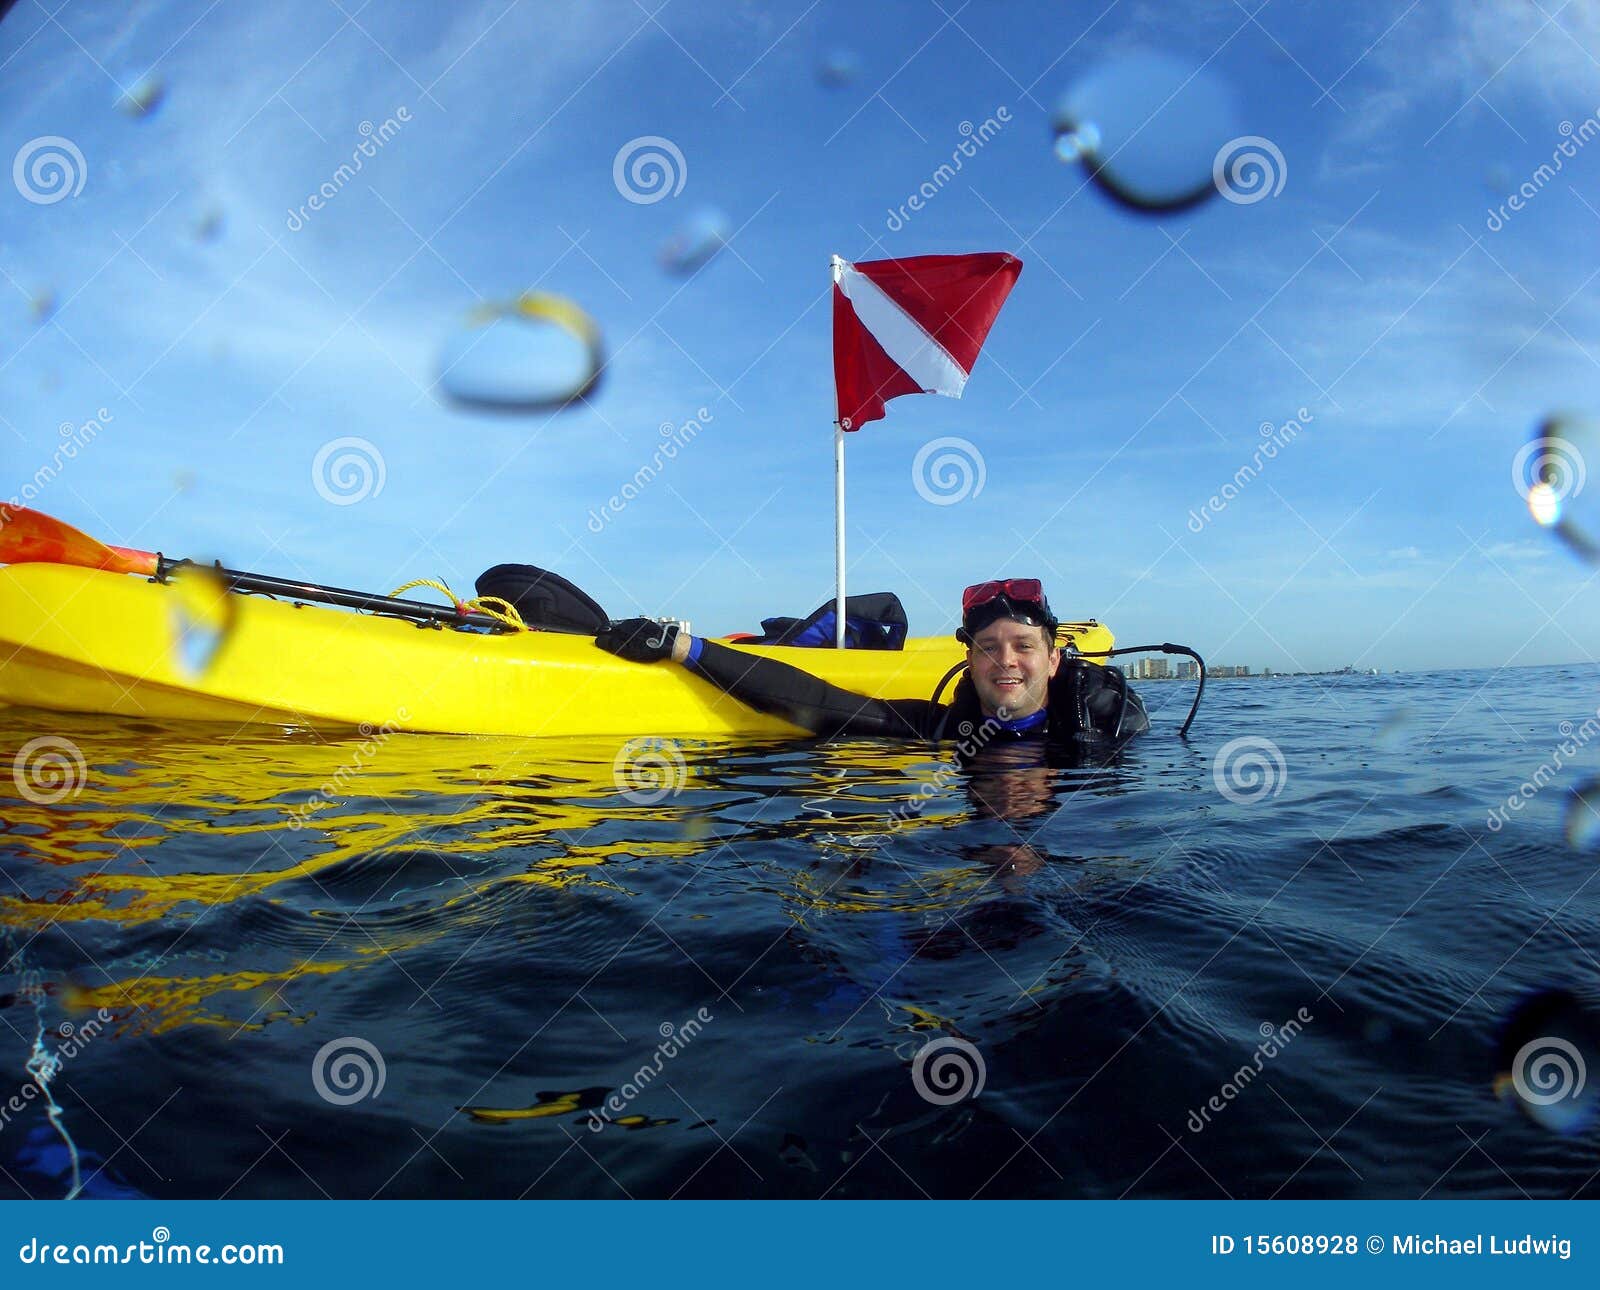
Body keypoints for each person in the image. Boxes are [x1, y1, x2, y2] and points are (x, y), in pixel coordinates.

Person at [593, 577, 1147, 749]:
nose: (1005, 660)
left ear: (1053, 660)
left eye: (1023, 646)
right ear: (969, 659)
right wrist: (685, 648)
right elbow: (820, 702)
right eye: (987, 646)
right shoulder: (942, 728)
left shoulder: (1103, 720)